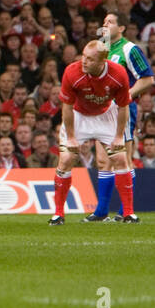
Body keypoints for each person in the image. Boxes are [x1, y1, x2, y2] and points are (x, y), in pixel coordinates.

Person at [50, 40, 135, 224]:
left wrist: (119, 136)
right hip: (78, 116)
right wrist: (71, 137)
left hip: (105, 115)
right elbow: (66, 107)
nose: (83, 61)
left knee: (120, 159)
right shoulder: (72, 72)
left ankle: (128, 213)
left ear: (101, 61)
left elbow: (122, 107)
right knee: (65, 160)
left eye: (89, 59)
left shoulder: (118, 74)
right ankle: (58, 214)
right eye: (83, 56)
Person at [99, 12, 152, 218]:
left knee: (123, 159)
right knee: (103, 161)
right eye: (103, 22)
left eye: (110, 22)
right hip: (101, 111)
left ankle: (124, 211)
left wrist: (127, 95)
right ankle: (101, 211)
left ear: (121, 28)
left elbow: (147, 79)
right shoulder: (101, 48)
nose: (105, 25)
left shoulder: (130, 49)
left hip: (121, 111)